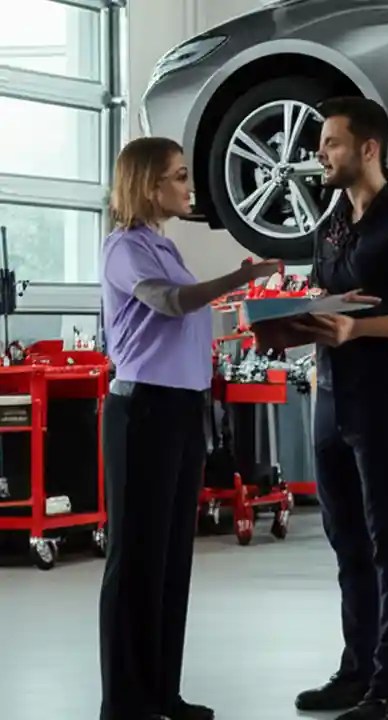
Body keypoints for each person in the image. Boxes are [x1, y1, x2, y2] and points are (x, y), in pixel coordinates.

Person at [254, 96, 388, 720]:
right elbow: (328, 300)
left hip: (385, 396)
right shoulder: (332, 222)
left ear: (368, 148)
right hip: (331, 394)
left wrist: (357, 331)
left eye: (330, 144)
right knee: (346, 540)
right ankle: (356, 670)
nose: (319, 156)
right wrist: (288, 326)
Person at [98, 136, 280, 720]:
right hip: (142, 411)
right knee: (136, 560)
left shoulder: (165, 248)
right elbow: (172, 304)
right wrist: (235, 279)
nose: (188, 187)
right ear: (150, 185)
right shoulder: (124, 249)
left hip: (180, 409)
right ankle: (124, 702)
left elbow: (193, 312)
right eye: (178, 177)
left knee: (174, 555)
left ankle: (161, 693)